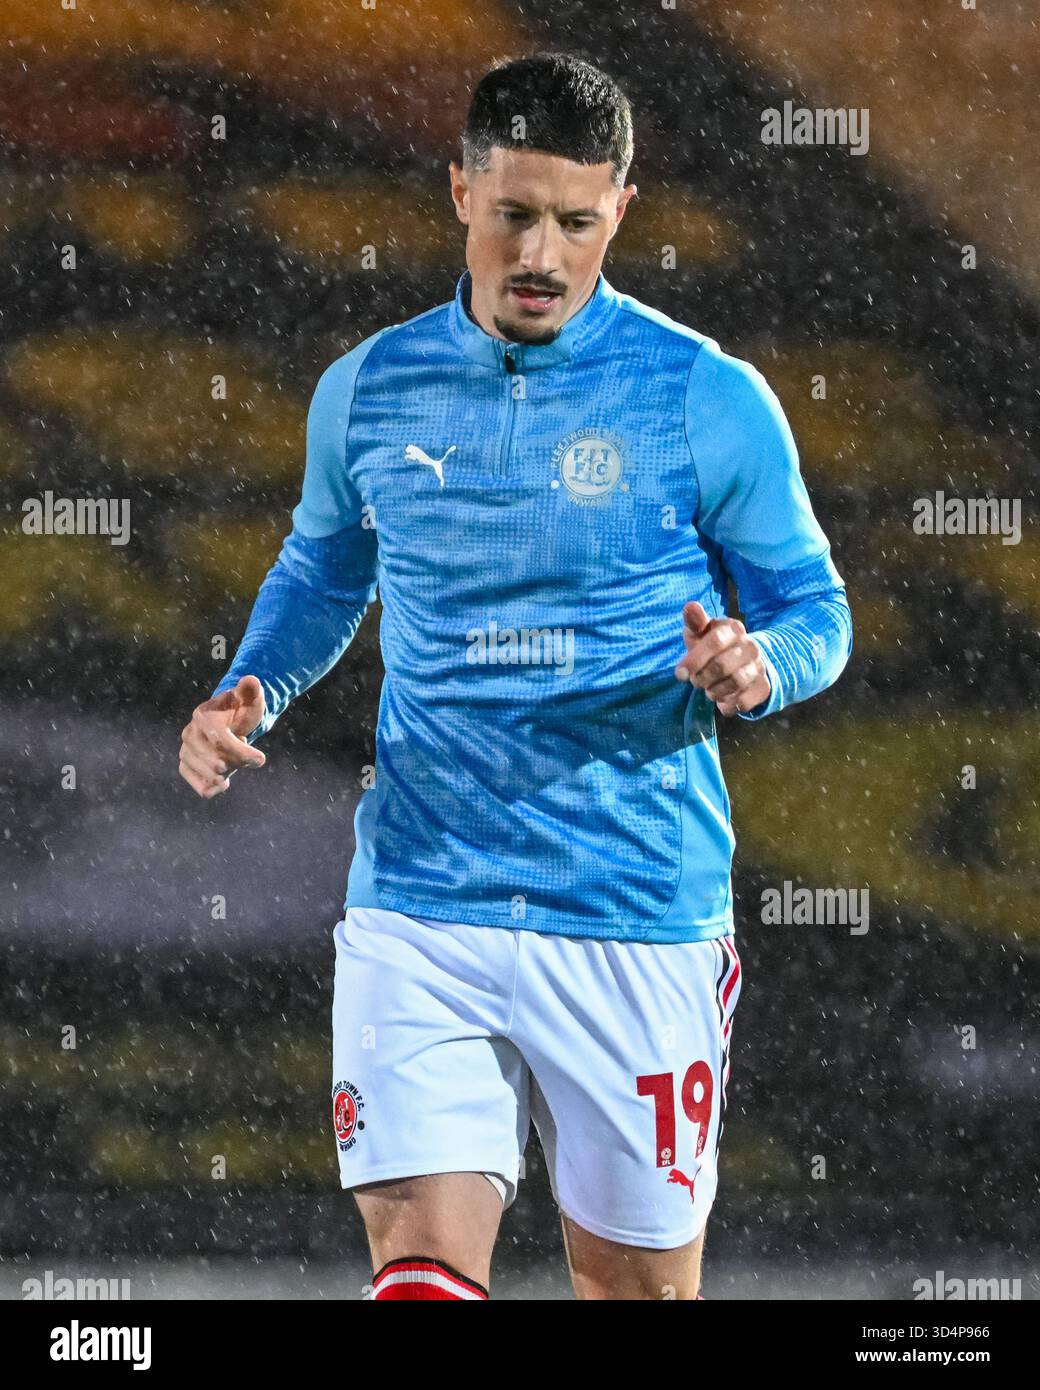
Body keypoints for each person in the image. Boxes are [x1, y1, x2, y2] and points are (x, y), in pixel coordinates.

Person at [178, 50, 853, 1300]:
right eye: (514, 214)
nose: (541, 254)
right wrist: (253, 685)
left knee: (636, 1291)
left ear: (621, 212)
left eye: (577, 223)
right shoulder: (366, 391)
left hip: (632, 903)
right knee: (419, 1274)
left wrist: (760, 666)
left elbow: (815, 609)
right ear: (459, 191)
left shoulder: (707, 397)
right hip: (422, 899)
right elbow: (323, 572)